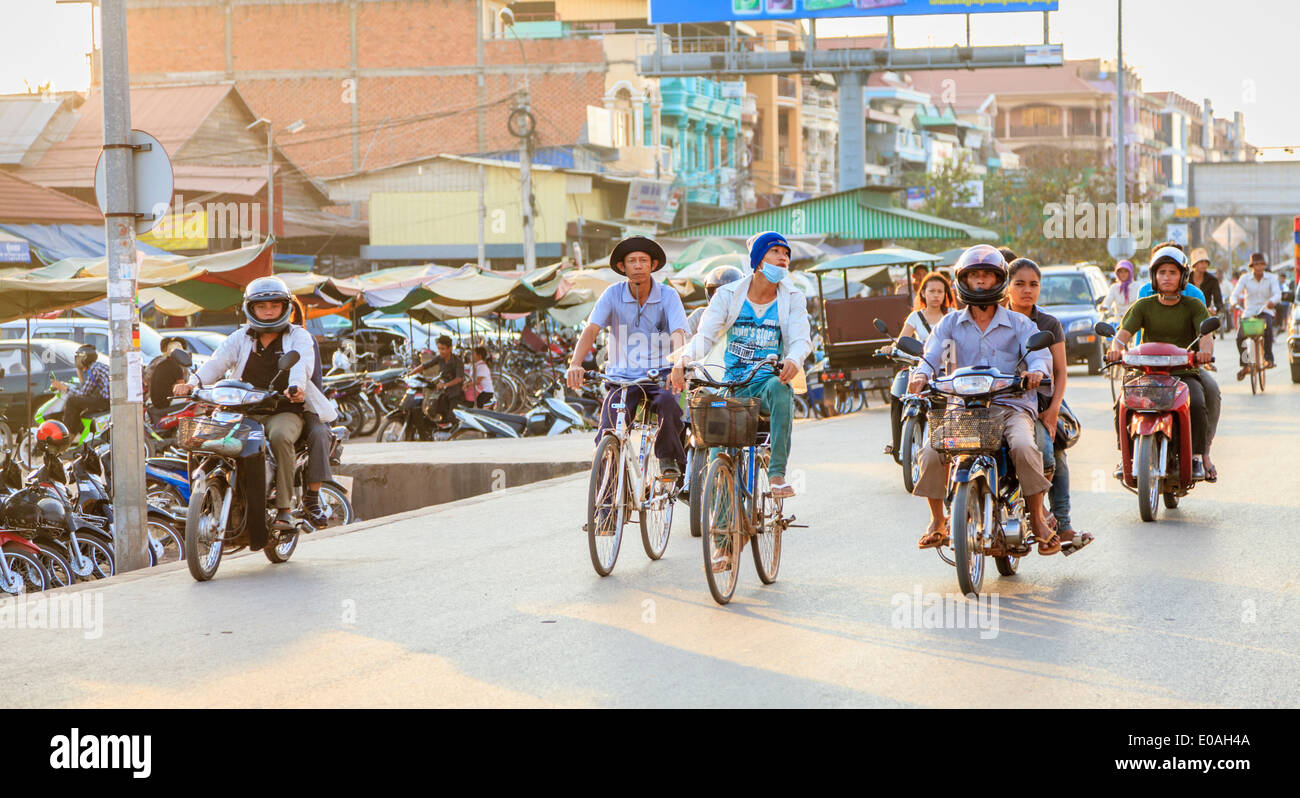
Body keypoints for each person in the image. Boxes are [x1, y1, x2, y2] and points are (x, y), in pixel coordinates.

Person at [908, 245, 1060, 555]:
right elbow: (931, 355)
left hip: (1011, 407)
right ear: (963, 281)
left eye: (987, 276)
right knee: (930, 451)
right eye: (974, 276)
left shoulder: (1019, 324)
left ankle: (1038, 517)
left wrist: (1035, 372)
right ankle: (938, 521)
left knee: (1023, 447)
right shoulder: (948, 324)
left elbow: (1040, 358)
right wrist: (921, 375)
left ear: (999, 280)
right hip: (963, 408)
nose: (981, 282)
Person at [173, 277, 338, 544]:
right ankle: (209, 497)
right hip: (242, 411)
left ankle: (284, 509)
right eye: (262, 307)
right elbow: (216, 363)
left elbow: (300, 364)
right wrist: (193, 383)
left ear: (286, 307)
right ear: (251, 309)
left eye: (274, 305)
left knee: (280, 437)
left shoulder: (299, 336)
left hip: (283, 410)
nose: (269, 311)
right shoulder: (240, 337)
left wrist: (295, 387)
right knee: (208, 437)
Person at [670, 231, 813, 500]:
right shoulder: (728, 295)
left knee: (782, 389)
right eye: (776, 252)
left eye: (786, 254)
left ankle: (777, 473)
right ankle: (723, 534)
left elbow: (800, 338)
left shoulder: (793, 297)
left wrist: (794, 359)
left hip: (764, 383)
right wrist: (684, 360)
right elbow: (706, 336)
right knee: (719, 455)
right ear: (759, 261)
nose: (783, 258)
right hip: (731, 386)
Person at [567, 236, 689, 478]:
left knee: (670, 404)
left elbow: (678, 332)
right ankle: (605, 508)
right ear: (622, 267)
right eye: (631, 261)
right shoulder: (612, 294)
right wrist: (574, 363)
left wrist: (679, 364)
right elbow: (591, 329)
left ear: (653, 265)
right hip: (622, 379)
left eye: (643, 260)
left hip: (660, 375)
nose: (638, 265)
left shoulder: (669, 296)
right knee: (607, 434)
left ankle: (667, 458)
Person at [1105, 244, 1216, 481]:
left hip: (1183, 372)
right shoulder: (1143, 305)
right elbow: (1122, 335)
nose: (1166, 277)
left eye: (1172, 272)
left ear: (1182, 276)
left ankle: (1196, 457)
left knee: (1196, 401)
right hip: (1146, 372)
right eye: (1162, 272)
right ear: (1154, 276)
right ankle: (1126, 455)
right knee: (1121, 403)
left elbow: (1206, 335)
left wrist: (1205, 353)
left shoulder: (1194, 305)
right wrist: (1115, 350)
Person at [1005, 257, 1092, 550]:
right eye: (1020, 284)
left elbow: (1060, 371)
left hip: (1043, 401)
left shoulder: (1049, 323)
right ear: (1007, 287)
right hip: (1001, 401)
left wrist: (1053, 412)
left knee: (1053, 451)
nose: (1027, 290)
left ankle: (1061, 523)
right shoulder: (994, 319)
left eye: (1033, 284)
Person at [883, 271, 955, 460]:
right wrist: (890, 348)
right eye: (932, 291)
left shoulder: (953, 316)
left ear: (946, 294)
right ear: (922, 293)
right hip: (918, 368)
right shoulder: (915, 317)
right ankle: (898, 443)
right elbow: (901, 340)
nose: (936, 295)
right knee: (898, 390)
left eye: (940, 291)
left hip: (947, 371)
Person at [289, 296, 335, 526]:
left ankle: (312, 497)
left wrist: (299, 391)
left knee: (319, 433)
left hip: (302, 404)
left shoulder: (304, 340)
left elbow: (314, 381)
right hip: (261, 405)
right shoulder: (251, 338)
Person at [1229, 251, 1281, 378]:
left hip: (1265, 310)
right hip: (1249, 312)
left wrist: (1272, 301)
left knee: (1267, 329)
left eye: (1261, 264)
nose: (1258, 267)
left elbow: (1277, 294)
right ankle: (1246, 364)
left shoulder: (1271, 278)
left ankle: (1269, 358)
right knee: (1240, 336)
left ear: (1264, 265)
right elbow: (1234, 294)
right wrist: (1234, 303)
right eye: (1256, 265)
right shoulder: (1245, 278)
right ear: (1252, 266)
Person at [407, 335, 464, 427]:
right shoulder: (439, 358)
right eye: (439, 349)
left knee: (451, 418)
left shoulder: (457, 361)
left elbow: (459, 378)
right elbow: (425, 366)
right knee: (434, 413)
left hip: (455, 394)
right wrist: (410, 374)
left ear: (450, 348)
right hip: (443, 393)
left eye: (443, 349)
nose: (441, 351)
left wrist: (445, 385)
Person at [52, 344, 110, 430]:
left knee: (72, 401)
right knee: (80, 407)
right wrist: (79, 372)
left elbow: (84, 394)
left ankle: (67, 434)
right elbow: (86, 389)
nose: (77, 361)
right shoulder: (98, 366)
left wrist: (64, 388)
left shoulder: (94, 369)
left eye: (78, 358)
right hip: (106, 400)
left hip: (106, 402)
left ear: (85, 358)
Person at [687, 265, 744, 336]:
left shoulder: (745, 318)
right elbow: (682, 338)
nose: (723, 297)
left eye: (728, 293)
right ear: (710, 293)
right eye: (719, 293)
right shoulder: (700, 315)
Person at [1188, 248, 1224, 318]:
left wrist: (1214, 309)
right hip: (1187, 314)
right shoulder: (1186, 279)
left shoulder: (1212, 280)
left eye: (1206, 262)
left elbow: (1218, 301)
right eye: (1201, 262)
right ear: (1195, 264)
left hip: (1205, 314)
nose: (1204, 265)